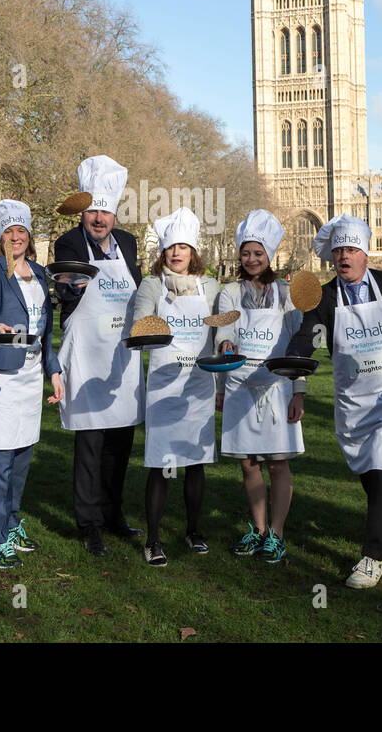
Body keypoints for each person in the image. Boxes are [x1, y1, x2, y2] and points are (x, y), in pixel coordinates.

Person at [288, 214, 382, 589]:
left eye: (351, 250)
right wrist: (294, 359)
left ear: (366, 254)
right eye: (338, 251)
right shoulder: (324, 295)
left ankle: (372, 557)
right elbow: (309, 334)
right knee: (372, 476)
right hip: (354, 402)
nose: (344, 257)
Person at [54, 155, 144, 556]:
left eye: (105, 210)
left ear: (114, 213)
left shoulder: (128, 243)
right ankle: (89, 523)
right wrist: (70, 287)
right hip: (87, 354)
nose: (99, 218)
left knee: (120, 441)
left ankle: (113, 513)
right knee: (90, 442)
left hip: (121, 358)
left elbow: (138, 292)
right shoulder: (69, 243)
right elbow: (66, 287)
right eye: (92, 210)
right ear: (83, 212)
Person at [0, 199, 62, 570]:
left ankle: (11, 524)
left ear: (28, 236)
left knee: (23, 454)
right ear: (0, 237)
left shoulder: (41, 274)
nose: (15, 237)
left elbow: (46, 332)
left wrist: (53, 373)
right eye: (8, 232)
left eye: (21, 231)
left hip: (29, 375)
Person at [130, 207, 221, 566]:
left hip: (198, 385)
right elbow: (139, 324)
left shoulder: (210, 286)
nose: (177, 253)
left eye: (183, 247)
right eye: (171, 248)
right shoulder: (152, 285)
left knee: (196, 462)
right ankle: (153, 540)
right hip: (165, 387)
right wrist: (148, 328)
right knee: (162, 463)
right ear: (163, 252)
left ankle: (194, 530)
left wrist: (224, 368)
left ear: (193, 251)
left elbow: (221, 330)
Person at [214, 209, 305, 563]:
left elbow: (298, 345)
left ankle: (277, 534)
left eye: (258, 253)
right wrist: (225, 348)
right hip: (239, 387)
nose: (251, 259)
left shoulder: (286, 293)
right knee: (249, 463)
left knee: (277, 463)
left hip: (278, 388)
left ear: (269, 255)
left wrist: (299, 391)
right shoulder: (230, 293)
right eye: (246, 253)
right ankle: (259, 529)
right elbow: (224, 332)